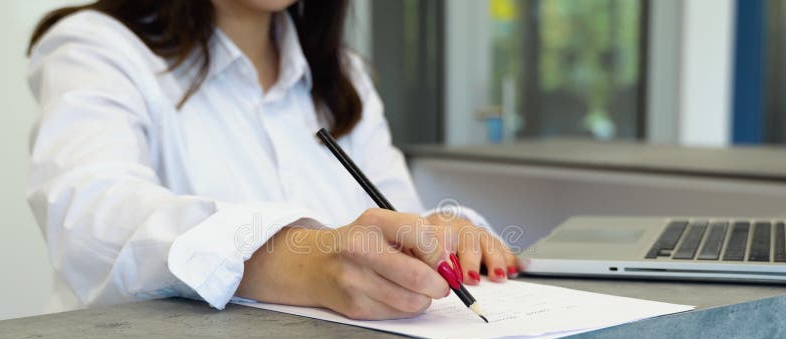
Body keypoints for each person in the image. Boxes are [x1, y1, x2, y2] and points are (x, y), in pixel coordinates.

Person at [26, 0, 519, 320]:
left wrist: (438, 237)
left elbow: (398, 213)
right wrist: (301, 261)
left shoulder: (342, 75)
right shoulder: (97, 48)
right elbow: (89, 214)